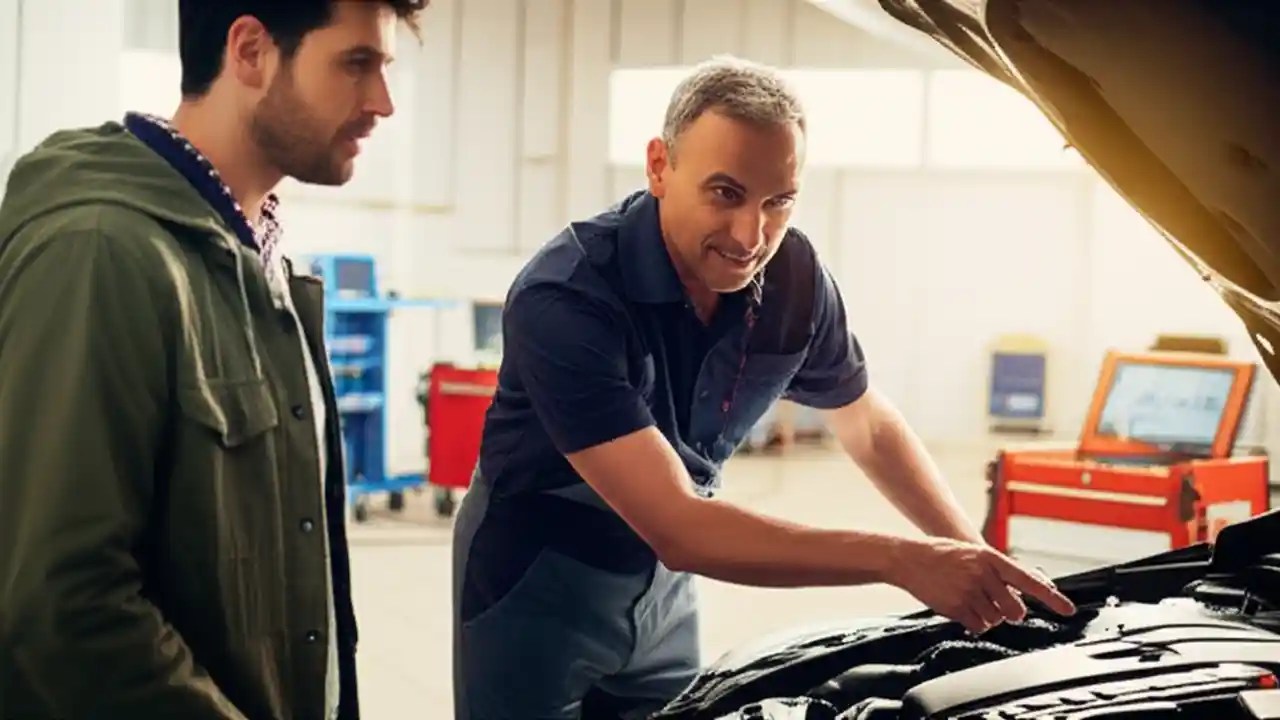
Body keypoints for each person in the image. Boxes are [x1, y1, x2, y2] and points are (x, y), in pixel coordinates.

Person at [452, 55, 1077, 719]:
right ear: (660, 166)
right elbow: (677, 525)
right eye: (725, 193)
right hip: (538, 578)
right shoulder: (567, 297)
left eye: (778, 201)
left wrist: (969, 556)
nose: (752, 237)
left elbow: (863, 421)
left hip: (666, 586)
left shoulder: (794, 279)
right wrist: (903, 560)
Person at [0, 2, 427, 718]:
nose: (382, 102)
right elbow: (61, 604)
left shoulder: (258, 264)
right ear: (251, 51)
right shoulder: (102, 251)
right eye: (357, 64)